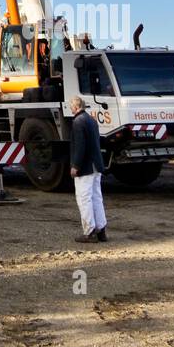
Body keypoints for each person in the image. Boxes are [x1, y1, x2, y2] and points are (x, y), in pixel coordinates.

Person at [69, 95, 106, 243]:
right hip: (97, 165)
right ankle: (101, 230)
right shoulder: (91, 120)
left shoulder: (78, 122)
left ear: (76, 107)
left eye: (71, 106)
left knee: (84, 199)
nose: (70, 109)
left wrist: (75, 166)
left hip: (85, 167)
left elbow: (80, 146)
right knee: (97, 197)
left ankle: (89, 232)